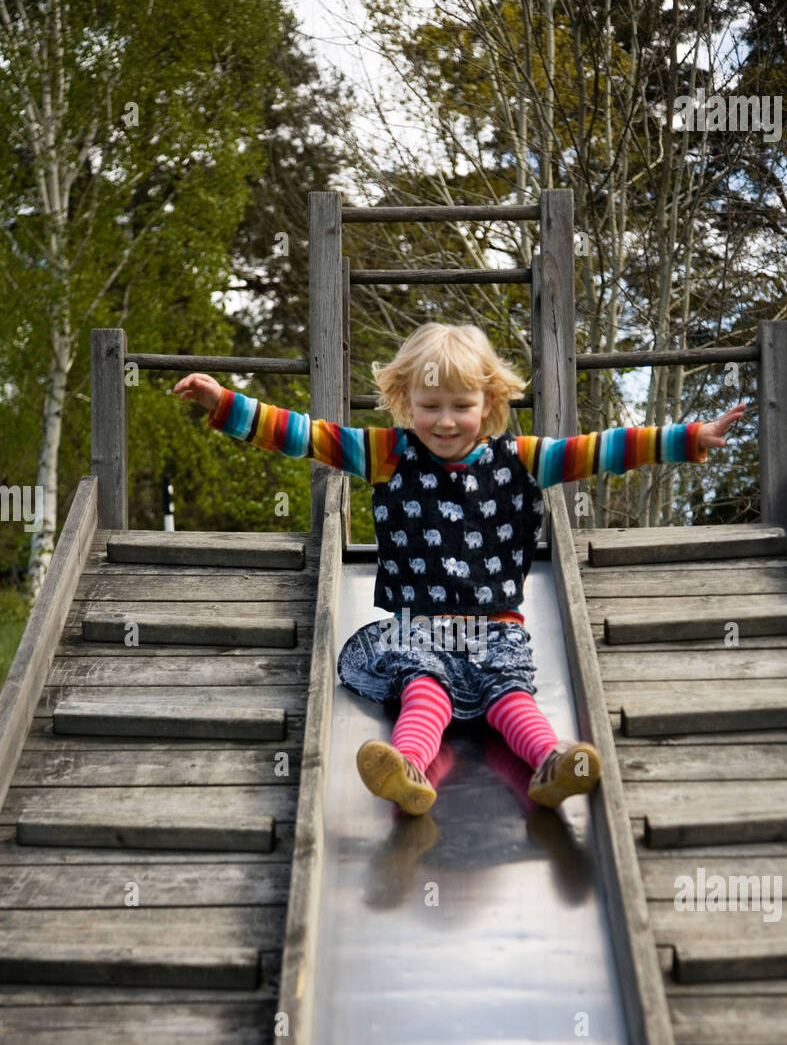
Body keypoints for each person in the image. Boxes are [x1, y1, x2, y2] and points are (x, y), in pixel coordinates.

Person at [173, 322, 745, 816]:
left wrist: (688, 436)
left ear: (489, 403)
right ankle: (408, 772)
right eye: (430, 406)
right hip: (418, 627)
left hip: (495, 627)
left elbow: (602, 448)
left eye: (461, 406)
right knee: (425, 691)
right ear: (405, 403)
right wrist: (225, 403)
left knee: (511, 697)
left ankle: (550, 765)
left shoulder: (522, 459)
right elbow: (306, 436)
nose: (445, 422)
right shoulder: (388, 454)